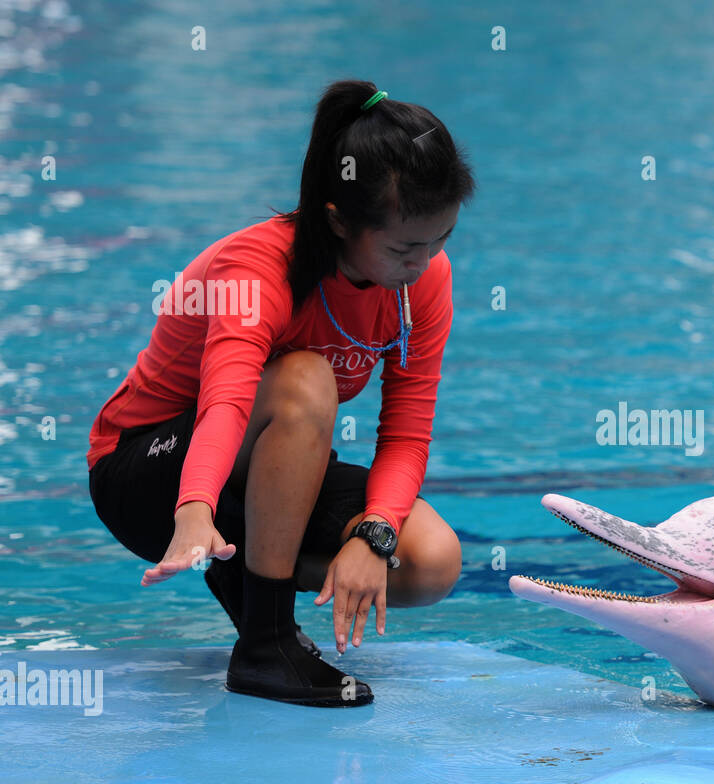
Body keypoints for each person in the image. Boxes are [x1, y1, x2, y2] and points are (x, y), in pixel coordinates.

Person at [86, 79, 477, 707]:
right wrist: (194, 510)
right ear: (339, 221)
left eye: (442, 240)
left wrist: (372, 535)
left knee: (429, 560)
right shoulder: (257, 268)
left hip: (258, 472)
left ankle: (244, 567)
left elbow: (406, 433)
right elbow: (228, 402)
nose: (426, 260)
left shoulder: (421, 281)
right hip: (148, 472)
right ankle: (266, 644)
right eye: (407, 246)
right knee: (305, 376)